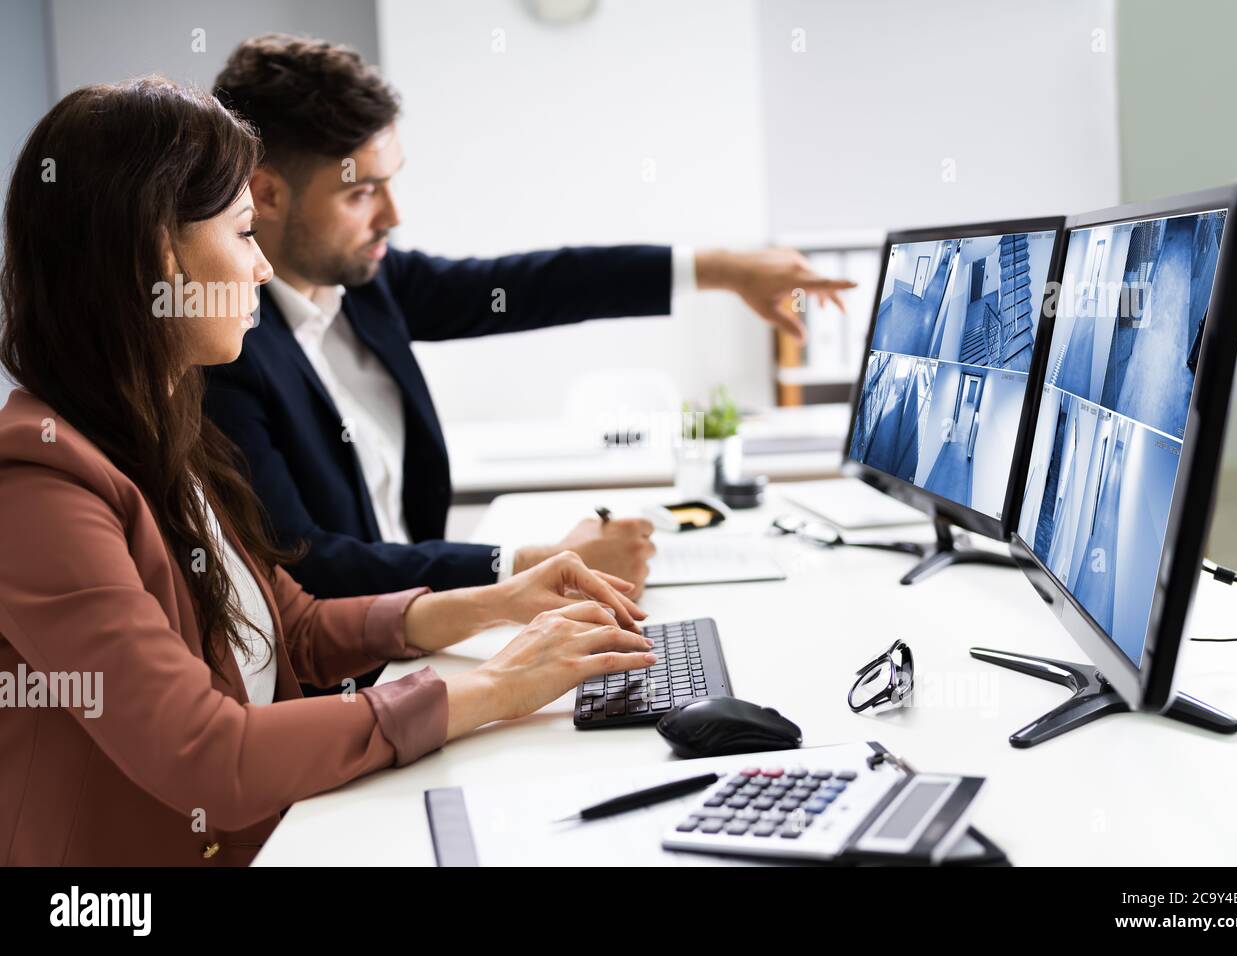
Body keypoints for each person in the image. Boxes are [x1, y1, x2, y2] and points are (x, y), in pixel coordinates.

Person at [0, 76, 657, 866]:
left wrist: (496, 603)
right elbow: (205, 753)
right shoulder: (38, 492)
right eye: (244, 235)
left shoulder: (157, 431)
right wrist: (490, 690)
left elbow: (295, 632)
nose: (262, 271)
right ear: (160, 256)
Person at [205, 34, 854, 607]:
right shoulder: (225, 350)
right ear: (265, 194)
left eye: (391, 181)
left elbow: (537, 282)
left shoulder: (371, 284)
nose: (392, 215)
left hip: (433, 629)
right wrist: (527, 565)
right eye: (361, 191)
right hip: (355, 684)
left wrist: (722, 270)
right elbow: (307, 563)